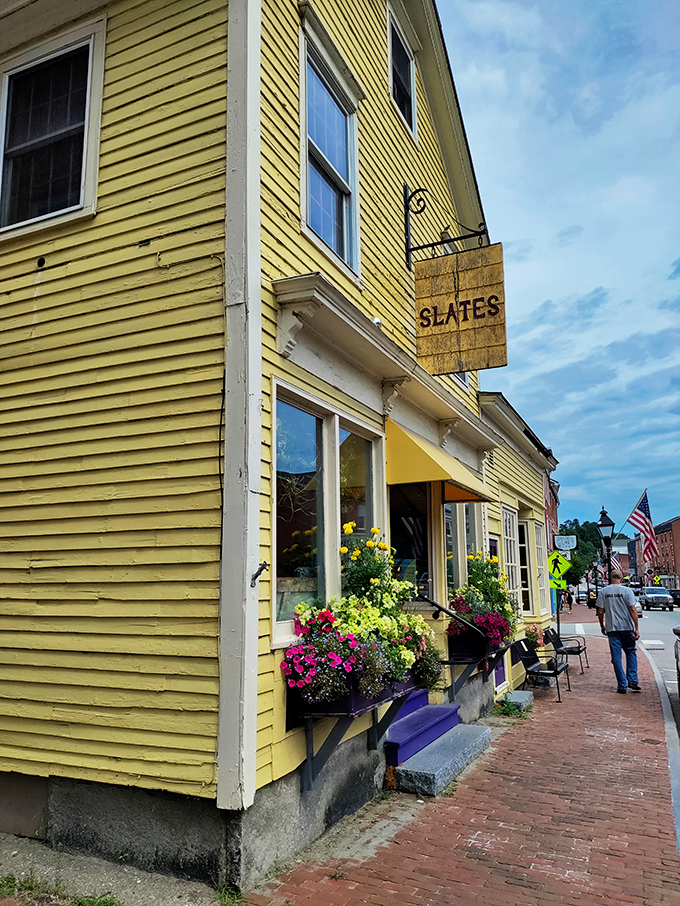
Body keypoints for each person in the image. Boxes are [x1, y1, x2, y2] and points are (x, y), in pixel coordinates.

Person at [596, 569, 640, 694]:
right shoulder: (627, 591)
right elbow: (633, 609)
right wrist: (636, 627)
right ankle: (632, 680)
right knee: (631, 652)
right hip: (627, 627)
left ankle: (622, 685)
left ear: (610, 578)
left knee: (616, 658)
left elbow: (600, 611)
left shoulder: (604, 592)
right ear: (621, 578)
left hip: (612, 628)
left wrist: (602, 625)